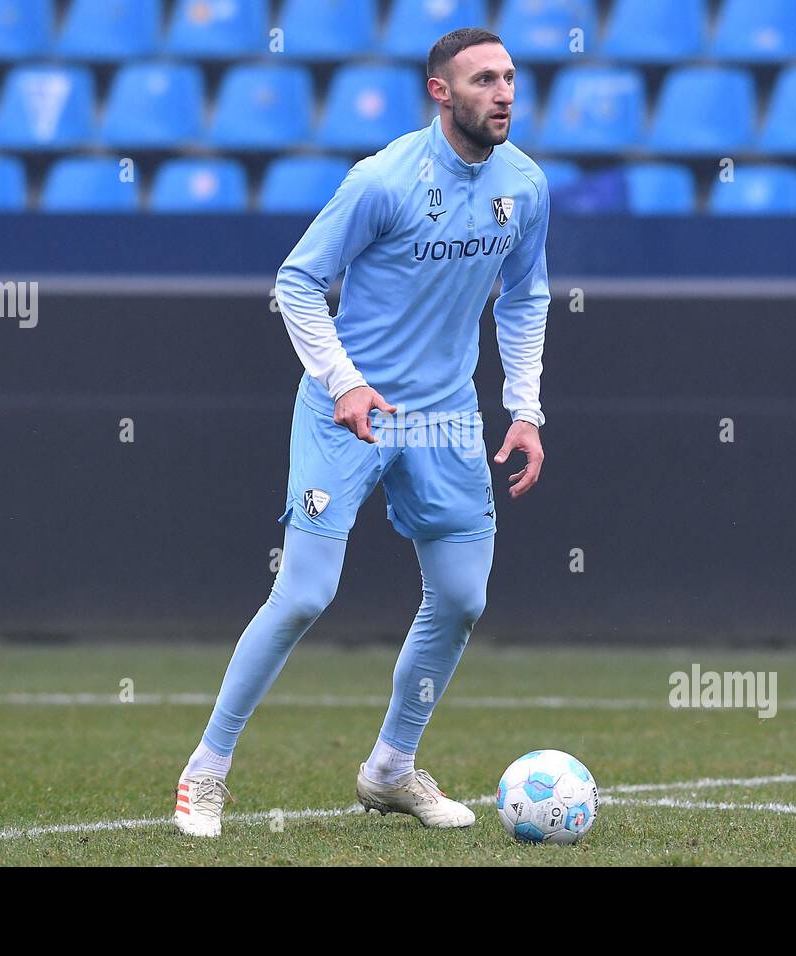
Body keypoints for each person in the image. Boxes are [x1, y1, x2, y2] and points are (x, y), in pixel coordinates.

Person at [174, 27, 550, 837]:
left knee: (461, 598)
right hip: (351, 414)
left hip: (448, 418)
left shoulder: (525, 186)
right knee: (305, 592)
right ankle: (205, 771)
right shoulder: (382, 179)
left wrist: (525, 409)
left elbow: (524, 300)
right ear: (440, 92)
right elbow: (299, 282)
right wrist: (343, 383)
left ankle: (389, 769)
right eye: (484, 79)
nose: (504, 93)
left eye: (511, 78)